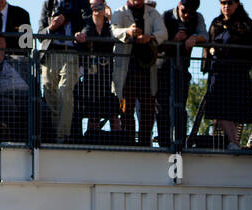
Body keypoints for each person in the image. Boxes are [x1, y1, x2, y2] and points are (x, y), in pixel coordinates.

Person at [204, 0, 252, 151]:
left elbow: (250, 47)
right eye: (222, 2)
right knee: (219, 108)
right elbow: (208, 42)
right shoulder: (216, 22)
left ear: (237, 4)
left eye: (229, 2)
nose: (226, 6)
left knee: (235, 110)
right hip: (218, 72)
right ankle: (233, 142)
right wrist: (211, 50)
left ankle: (233, 142)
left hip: (236, 72)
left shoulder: (245, 24)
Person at [112, 0, 167, 147]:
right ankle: (128, 141)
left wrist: (150, 37)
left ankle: (144, 142)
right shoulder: (119, 12)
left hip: (147, 69)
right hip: (126, 69)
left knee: (148, 109)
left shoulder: (152, 13)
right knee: (126, 108)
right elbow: (114, 30)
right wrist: (128, 32)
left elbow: (163, 33)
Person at [39, 0, 90, 142]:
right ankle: (54, 135)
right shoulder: (48, 3)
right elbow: (40, 32)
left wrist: (82, 34)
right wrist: (52, 27)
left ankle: (62, 136)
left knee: (65, 90)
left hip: (71, 53)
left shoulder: (81, 3)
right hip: (50, 55)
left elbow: (88, 23)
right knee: (51, 96)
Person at [158, 1, 207, 147]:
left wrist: (195, 38)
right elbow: (157, 42)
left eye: (190, 13)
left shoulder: (197, 18)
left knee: (180, 107)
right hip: (163, 69)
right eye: (184, 11)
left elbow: (205, 35)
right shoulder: (166, 16)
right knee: (163, 108)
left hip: (182, 69)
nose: (187, 15)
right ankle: (164, 143)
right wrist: (174, 40)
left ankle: (180, 142)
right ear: (179, 5)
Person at [75, 1, 120, 137]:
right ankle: (92, 138)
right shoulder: (86, 23)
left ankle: (118, 141)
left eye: (99, 5)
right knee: (93, 113)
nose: (96, 8)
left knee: (113, 112)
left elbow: (117, 36)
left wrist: (110, 17)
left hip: (108, 76)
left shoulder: (110, 26)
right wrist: (78, 38)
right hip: (91, 76)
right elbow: (80, 38)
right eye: (93, 5)